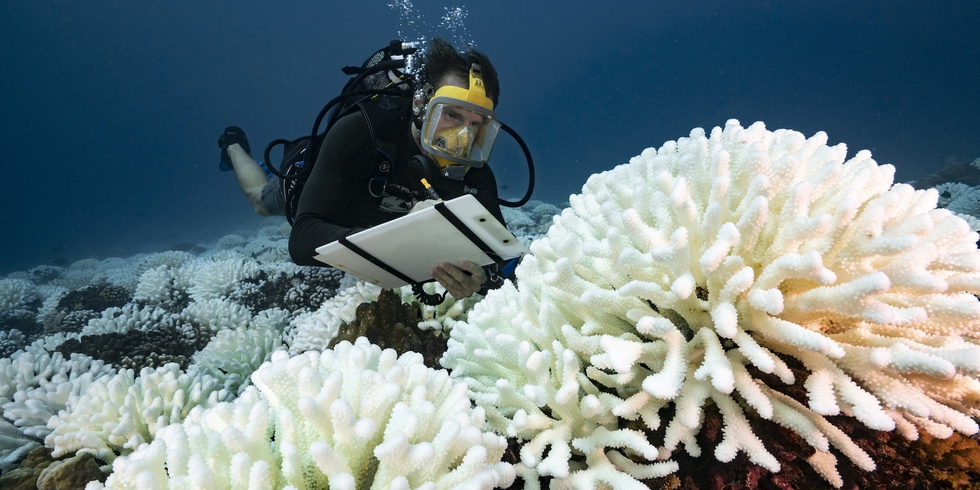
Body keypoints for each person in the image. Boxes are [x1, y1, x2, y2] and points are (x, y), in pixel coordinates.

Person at [217, 38, 507, 299]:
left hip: (359, 227)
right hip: (320, 178)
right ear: (421, 104)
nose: (462, 137)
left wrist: (480, 282)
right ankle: (233, 146)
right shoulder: (362, 130)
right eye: (452, 115)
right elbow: (302, 239)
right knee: (260, 202)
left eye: (475, 124)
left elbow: (500, 261)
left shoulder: (476, 174)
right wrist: (404, 233)